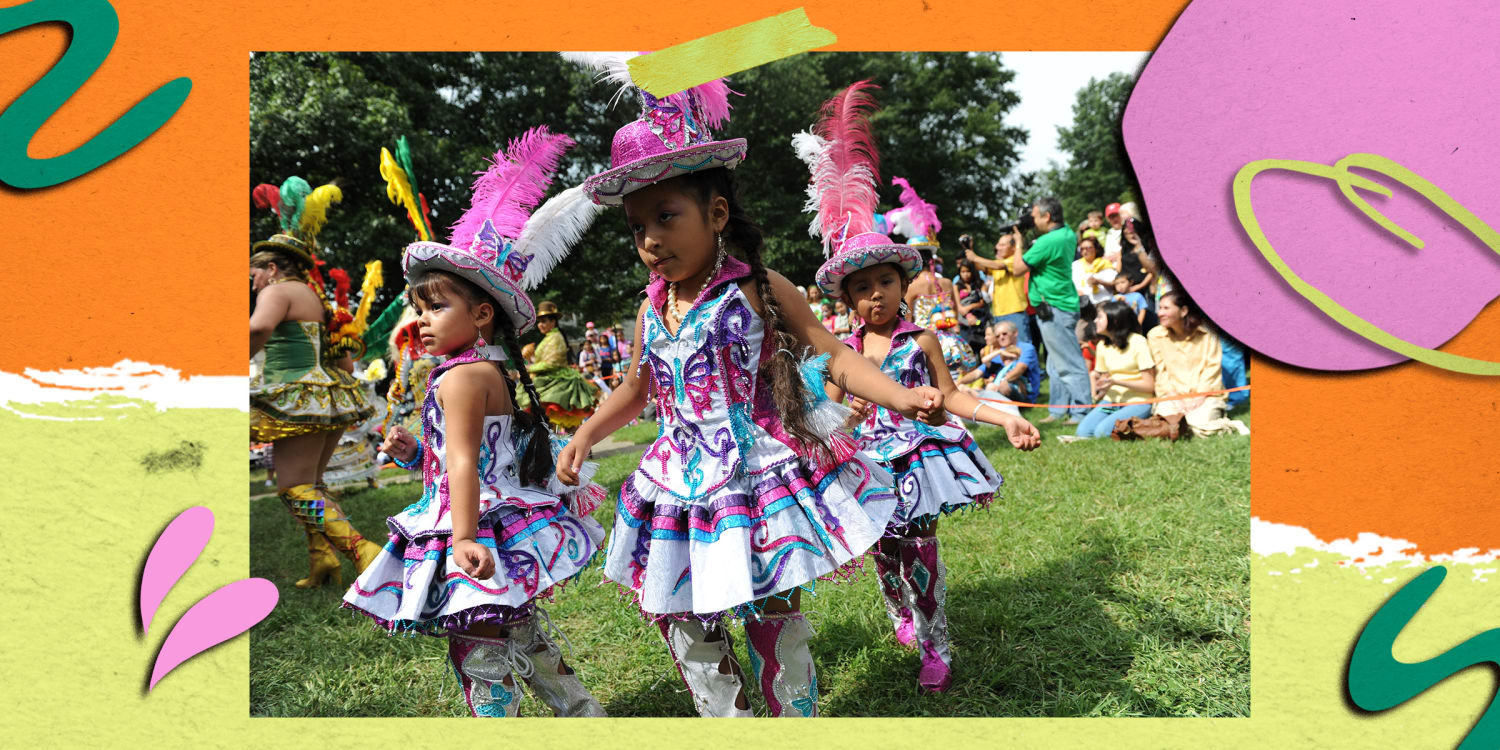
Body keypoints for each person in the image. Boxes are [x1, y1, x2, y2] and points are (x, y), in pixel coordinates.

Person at [559, 64, 947, 718]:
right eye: (636, 227)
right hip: (675, 484)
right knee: (683, 620)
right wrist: (588, 433)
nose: (650, 240)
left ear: (716, 214)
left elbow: (834, 355)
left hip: (754, 476)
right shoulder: (651, 309)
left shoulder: (758, 288)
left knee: (772, 613)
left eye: (666, 217)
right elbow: (635, 389)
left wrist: (899, 395)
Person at [343, 126, 610, 717]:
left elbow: (466, 464)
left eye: (437, 307)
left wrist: (463, 537)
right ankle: (583, 715)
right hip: (497, 511)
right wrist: (416, 454)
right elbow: (476, 456)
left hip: (474, 524)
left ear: (483, 314)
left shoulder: (462, 378)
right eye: (419, 308)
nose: (421, 321)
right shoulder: (484, 370)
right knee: (518, 631)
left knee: (478, 649)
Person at [802, 80, 1039, 693]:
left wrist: (1006, 416)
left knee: (920, 549)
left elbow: (953, 396)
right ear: (847, 299)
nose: (875, 295)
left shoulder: (923, 341)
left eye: (884, 282)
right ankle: (898, 612)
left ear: (902, 284)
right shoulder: (843, 353)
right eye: (861, 288)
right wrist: (839, 419)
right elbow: (829, 414)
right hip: (863, 462)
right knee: (883, 550)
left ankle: (937, 642)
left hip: (916, 458)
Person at [249, 176, 381, 589]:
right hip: (328, 397)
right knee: (313, 484)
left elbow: (258, 329)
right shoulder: (315, 299)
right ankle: (322, 560)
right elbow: (343, 359)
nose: (252, 282)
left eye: (254, 274)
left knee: (293, 488)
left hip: (295, 395)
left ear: (272, 268)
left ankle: (365, 552)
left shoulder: (276, 292)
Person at [1008, 197, 1092, 424]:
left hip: (1054, 307)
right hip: (1062, 304)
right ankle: (1058, 410)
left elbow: (1017, 268)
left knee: (1069, 363)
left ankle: (1082, 411)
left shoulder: (1048, 241)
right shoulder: (1067, 233)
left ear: (1047, 216)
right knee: (1055, 363)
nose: (1033, 221)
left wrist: (1018, 241)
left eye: (1035, 216)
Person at [1148, 289, 1249, 436]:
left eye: (1166, 308)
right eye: (1160, 308)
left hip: (1206, 395)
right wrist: (1176, 398)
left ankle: (1229, 425)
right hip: (1172, 396)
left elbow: (1212, 369)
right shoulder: (1155, 336)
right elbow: (1161, 372)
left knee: (1196, 424)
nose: (1160, 313)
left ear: (1183, 311)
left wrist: (1198, 398)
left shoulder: (1208, 334)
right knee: (1168, 425)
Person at [1066, 300, 1156, 441]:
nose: (1095, 321)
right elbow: (1104, 377)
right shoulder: (1102, 345)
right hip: (1112, 403)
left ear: (1115, 320)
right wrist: (1100, 386)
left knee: (1101, 432)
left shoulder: (1138, 342)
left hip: (1138, 401)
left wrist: (1116, 382)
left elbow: (1149, 385)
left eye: (1100, 317)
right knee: (1083, 431)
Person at [517, 300, 599, 431]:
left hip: (556, 381)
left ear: (553, 321)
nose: (540, 325)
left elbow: (552, 363)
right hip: (549, 378)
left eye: (544, 321)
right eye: (539, 321)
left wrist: (530, 368)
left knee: (563, 425)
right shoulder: (549, 337)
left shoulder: (555, 337)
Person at [965, 230, 1032, 348]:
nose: (997, 247)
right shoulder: (998, 262)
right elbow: (981, 266)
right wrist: (969, 249)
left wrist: (975, 257)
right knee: (1004, 349)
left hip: (1015, 312)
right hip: (998, 314)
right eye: (998, 244)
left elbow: (996, 265)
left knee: (1021, 347)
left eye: (1002, 245)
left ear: (1013, 247)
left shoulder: (1015, 260)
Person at [954, 256, 989, 353]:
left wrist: (970, 307)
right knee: (967, 350)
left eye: (968, 271)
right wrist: (969, 316)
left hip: (980, 320)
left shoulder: (979, 283)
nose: (965, 274)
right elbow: (959, 307)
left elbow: (983, 302)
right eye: (963, 272)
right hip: (965, 323)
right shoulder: (957, 286)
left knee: (983, 349)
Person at [1073, 235, 1115, 304]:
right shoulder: (1075, 265)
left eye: (1088, 248)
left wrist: (1099, 282)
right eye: (1082, 249)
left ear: (1096, 249)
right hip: (1083, 303)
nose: (1085, 251)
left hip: (1104, 301)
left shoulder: (1105, 264)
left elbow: (1114, 285)